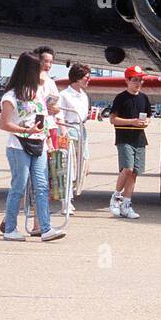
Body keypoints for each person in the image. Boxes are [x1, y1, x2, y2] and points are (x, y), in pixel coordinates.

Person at [0, 51, 65, 242]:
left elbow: (46, 116)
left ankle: (46, 228)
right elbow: (4, 124)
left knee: (42, 186)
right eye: (38, 68)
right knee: (19, 186)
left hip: (39, 144)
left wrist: (47, 134)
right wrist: (27, 131)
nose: (42, 71)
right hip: (18, 145)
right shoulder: (11, 96)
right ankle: (10, 228)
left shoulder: (39, 93)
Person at [109, 65, 152, 219]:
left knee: (134, 173)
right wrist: (131, 122)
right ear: (127, 80)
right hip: (124, 139)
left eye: (140, 80)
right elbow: (113, 119)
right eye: (135, 80)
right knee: (127, 168)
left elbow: (148, 117)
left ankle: (127, 204)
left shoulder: (144, 98)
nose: (138, 83)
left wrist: (145, 122)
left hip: (139, 139)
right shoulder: (121, 98)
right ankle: (116, 197)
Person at [55, 63, 92, 217]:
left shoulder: (84, 95)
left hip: (81, 130)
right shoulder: (64, 95)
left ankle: (73, 192)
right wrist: (64, 133)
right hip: (68, 130)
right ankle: (66, 201)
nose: (88, 80)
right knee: (68, 167)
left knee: (83, 166)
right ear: (77, 78)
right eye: (86, 78)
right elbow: (59, 115)